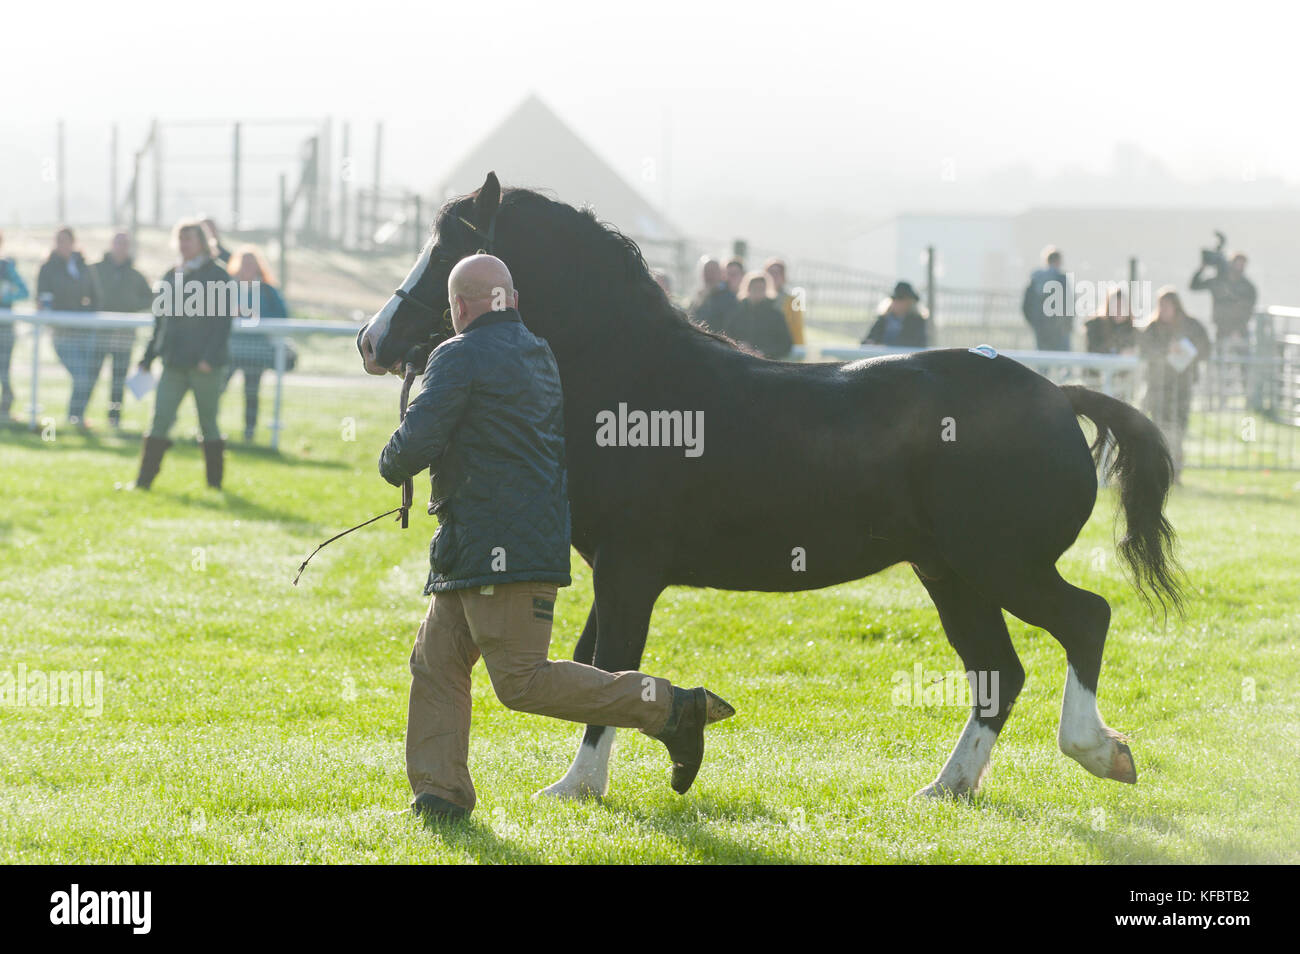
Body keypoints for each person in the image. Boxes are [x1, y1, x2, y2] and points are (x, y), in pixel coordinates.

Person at [378, 253, 733, 821]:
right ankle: (439, 797)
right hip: (496, 544)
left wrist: (390, 455)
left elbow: (411, 449)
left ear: (459, 308)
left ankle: (670, 709)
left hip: (497, 551)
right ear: (512, 299)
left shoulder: (457, 355)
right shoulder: (539, 353)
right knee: (436, 662)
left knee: (521, 683)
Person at [131, 221, 233, 490]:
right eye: (181, 239)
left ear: (202, 242)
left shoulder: (218, 275)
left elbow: (223, 323)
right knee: (159, 421)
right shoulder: (170, 275)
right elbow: (160, 322)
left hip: (205, 366)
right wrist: (148, 357)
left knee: (208, 423)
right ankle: (143, 481)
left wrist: (208, 358)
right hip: (173, 363)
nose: (184, 244)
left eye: (189, 239)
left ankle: (214, 484)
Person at [1138, 287, 1210, 481]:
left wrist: (1187, 349)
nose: (1163, 310)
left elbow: (1205, 349)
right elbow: (1144, 350)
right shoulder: (1151, 328)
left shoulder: (1192, 326)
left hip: (1182, 387)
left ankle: (1175, 472)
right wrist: (1165, 350)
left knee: (1177, 429)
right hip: (1157, 387)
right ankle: (1157, 470)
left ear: (1176, 307)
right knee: (1158, 428)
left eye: (1167, 306)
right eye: (1160, 305)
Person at [37, 227, 103, 429]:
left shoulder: (84, 266)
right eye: (58, 240)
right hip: (62, 332)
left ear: (73, 242)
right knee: (81, 375)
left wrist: (87, 315)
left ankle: (77, 417)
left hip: (85, 330)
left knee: (89, 377)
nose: (61, 244)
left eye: (65, 240)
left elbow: (96, 296)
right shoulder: (48, 268)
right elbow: (42, 298)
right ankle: (74, 418)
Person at [222, 246, 288, 442]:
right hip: (229, 349)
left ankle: (249, 433)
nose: (247, 268)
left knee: (251, 392)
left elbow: (282, 316)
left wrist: (257, 317)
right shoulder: (226, 287)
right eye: (244, 264)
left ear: (258, 267)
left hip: (256, 351)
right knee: (218, 388)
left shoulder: (268, 291)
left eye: (251, 264)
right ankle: (209, 430)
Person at [93, 232, 154, 429]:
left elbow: (149, 299)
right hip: (98, 333)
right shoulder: (95, 270)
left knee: (118, 378)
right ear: (112, 245)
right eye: (118, 243)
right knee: (89, 375)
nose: (121, 247)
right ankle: (77, 415)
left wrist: (132, 305)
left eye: (125, 244)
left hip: (124, 336)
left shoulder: (136, 276)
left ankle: (114, 417)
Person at [0, 231, 30, 423]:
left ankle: (5, 409)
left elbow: (24, 292)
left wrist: (4, 298)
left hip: (4, 329)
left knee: (3, 370)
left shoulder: (6, 267)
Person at [729, 271, 794, 359]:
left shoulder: (776, 316)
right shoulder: (736, 313)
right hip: (741, 362)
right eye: (754, 288)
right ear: (747, 289)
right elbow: (727, 336)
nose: (758, 292)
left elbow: (786, 345)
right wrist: (738, 345)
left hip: (767, 365)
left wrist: (764, 352)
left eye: (761, 289)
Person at [1022, 247, 1071, 351]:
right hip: (1060, 330)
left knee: (1042, 362)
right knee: (1063, 362)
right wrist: (1067, 325)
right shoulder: (1062, 279)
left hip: (1040, 328)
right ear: (1058, 261)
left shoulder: (1035, 279)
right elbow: (1068, 304)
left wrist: (1034, 323)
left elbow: (1026, 305)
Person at [863, 281, 928, 348]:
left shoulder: (917, 322)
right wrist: (871, 343)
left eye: (901, 298)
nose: (897, 301)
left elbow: (918, 343)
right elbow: (866, 341)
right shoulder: (882, 320)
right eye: (894, 298)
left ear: (910, 301)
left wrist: (886, 346)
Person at [689, 256, 737, 335]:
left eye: (712, 271)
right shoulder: (698, 297)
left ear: (721, 273)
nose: (709, 275)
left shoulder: (728, 297)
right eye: (706, 271)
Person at [1084, 286, 1137, 355]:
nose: (1119, 311)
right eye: (1115, 306)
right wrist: (1119, 353)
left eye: (1122, 306)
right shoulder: (1095, 326)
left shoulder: (1132, 330)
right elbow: (1092, 351)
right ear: (1108, 307)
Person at [764, 257, 804, 348]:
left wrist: (799, 351)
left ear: (784, 277)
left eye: (777, 273)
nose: (773, 276)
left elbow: (797, 328)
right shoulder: (757, 298)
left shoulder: (793, 301)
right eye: (770, 272)